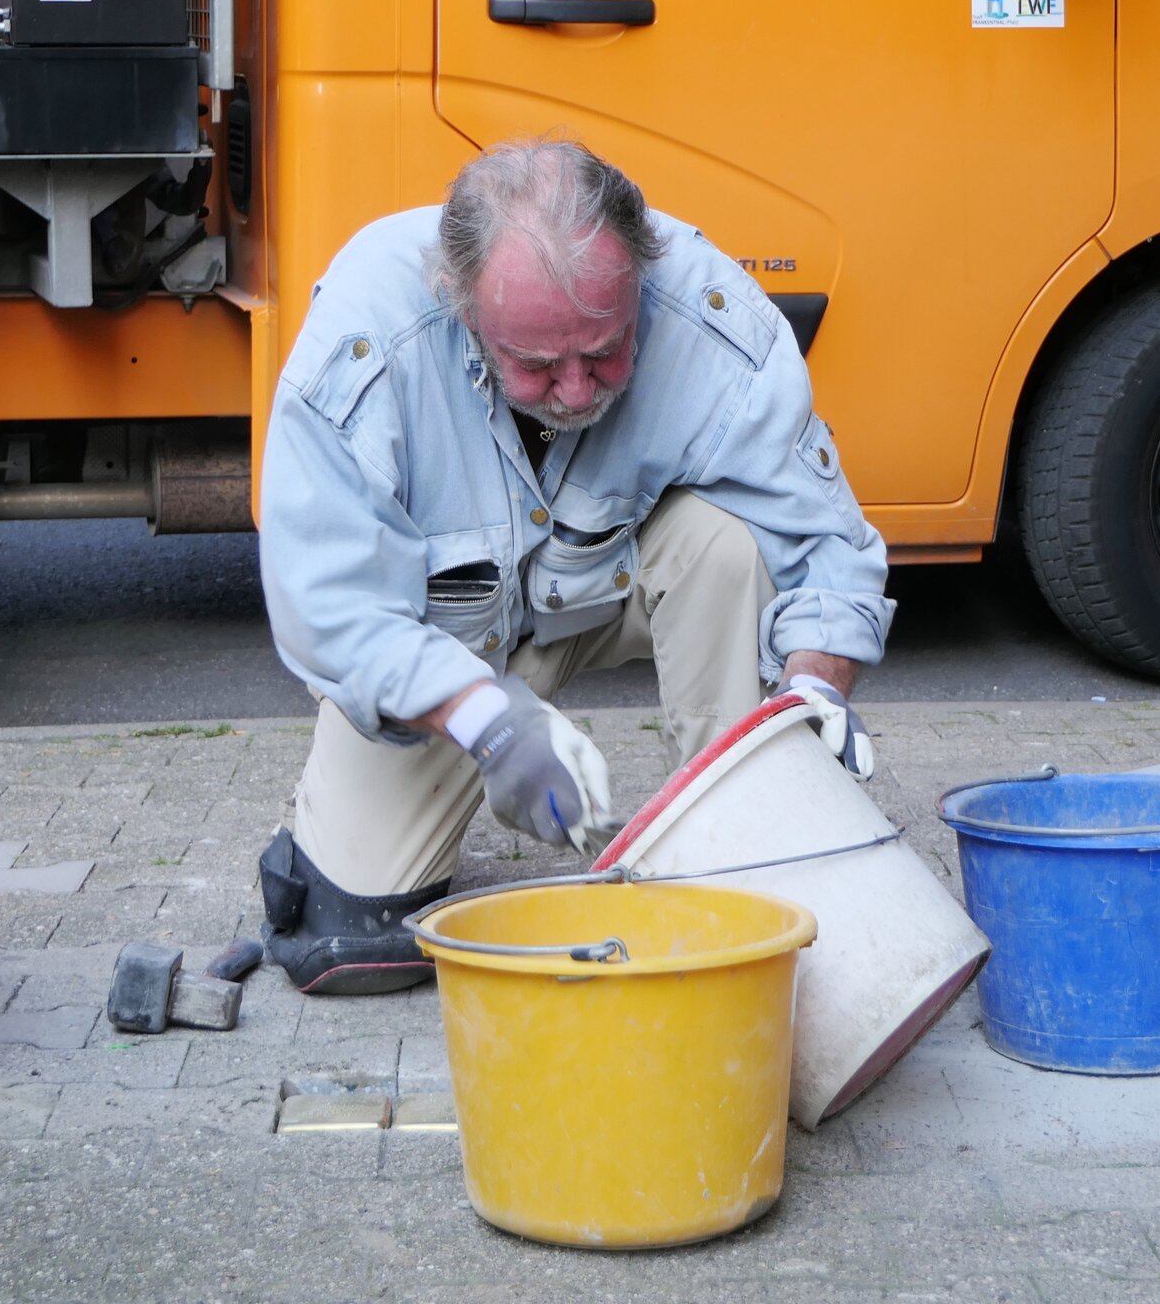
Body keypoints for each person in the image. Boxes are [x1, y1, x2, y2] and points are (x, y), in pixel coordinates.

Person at [254, 139, 894, 994]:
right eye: (538, 364)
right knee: (349, 951)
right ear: (463, 302)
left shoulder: (705, 314)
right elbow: (325, 602)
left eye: (606, 351)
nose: (578, 391)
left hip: (604, 591)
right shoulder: (372, 334)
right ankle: (391, 802)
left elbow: (825, 542)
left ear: (639, 281)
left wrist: (817, 688)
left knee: (728, 537)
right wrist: (490, 722)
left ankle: (755, 838)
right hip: (444, 646)